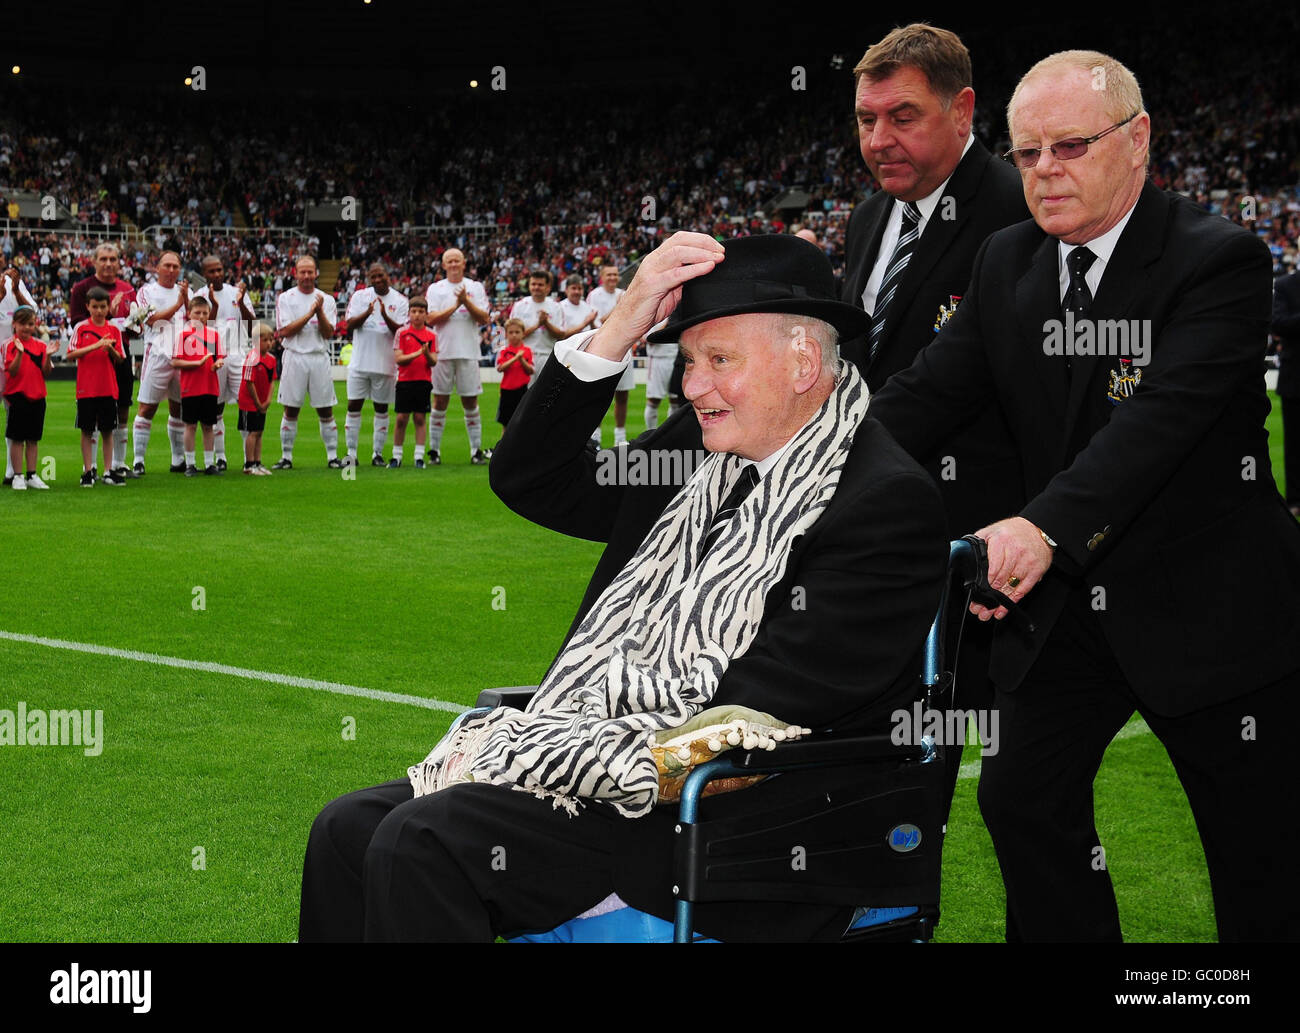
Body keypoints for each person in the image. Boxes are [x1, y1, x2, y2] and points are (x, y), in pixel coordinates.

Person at [298, 232, 949, 942]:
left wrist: (572, 753)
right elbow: (534, 479)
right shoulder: (699, 455)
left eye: (719, 360)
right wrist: (619, 327)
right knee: (344, 829)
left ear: (803, 362)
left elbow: (760, 713)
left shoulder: (882, 501)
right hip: (617, 768)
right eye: (689, 361)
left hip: (739, 821)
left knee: (419, 842)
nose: (692, 386)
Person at [868, 50, 1300, 942]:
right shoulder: (1007, 261)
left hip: (1213, 607)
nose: (1045, 171)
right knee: (1021, 800)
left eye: (1070, 146)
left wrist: (1042, 527)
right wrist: (803, 459)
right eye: (1027, 154)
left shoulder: (1217, 259)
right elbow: (923, 396)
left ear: (1137, 140)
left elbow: (1157, 427)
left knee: (1258, 850)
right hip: (1070, 609)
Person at [844, 23, 1030, 810]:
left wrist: (820, 455)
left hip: (986, 554)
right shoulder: (867, 220)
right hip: (877, 539)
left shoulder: (1019, 209)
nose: (878, 138)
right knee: (882, 778)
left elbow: (961, 382)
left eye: (902, 116)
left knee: (1021, 796)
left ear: (963, 111)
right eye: (866, 119)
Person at [68, 243, 138, 481]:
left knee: (122, 408)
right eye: (104, 259)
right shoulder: (81, 288)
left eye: (113, 259)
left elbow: (134, 328)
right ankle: (91, 468)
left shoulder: (128, 289)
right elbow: (77, 321)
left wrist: (133, 323)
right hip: (93, 360)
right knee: (92, 416)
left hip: (119, 354)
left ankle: (117, 464)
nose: (108, 263)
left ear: (119, 262)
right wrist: (109, 315)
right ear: (94, 261)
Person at [425, 248, 491, 466]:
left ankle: (475, 450)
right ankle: (434, 451)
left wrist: (466, 302)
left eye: (457, 260)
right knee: (439, 401)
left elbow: (484, 318)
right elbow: (431, 319)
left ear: (464, 263)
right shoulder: (436, 289)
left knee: (470, 401)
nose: (453, 264)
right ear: (444, 265)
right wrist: (456, 305)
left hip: (468, 352)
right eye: (449, 261)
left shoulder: (475, 287)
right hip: (442, 353)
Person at [273, 255, 340, 469]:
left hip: (318, 357)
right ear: (296, 273)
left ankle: (332, 457)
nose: (307, 276)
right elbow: (285, 331)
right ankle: (286, 457)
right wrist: (310, 313)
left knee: (326, 410)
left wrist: (319, 312)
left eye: (310, 271)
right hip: (295, 356)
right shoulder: (286, 298)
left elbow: (328, 333)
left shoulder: (326, 299)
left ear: (316, 273)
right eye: (303, 272)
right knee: (291, 409)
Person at [195, 255, 257, 472]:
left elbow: (252, 327)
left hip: (238, 355)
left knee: (246, 405)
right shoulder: (200, 296)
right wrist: (213, 305)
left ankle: (249, 459)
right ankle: (220, 457)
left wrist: (242, 303)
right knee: (215, 408)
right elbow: (200, 329)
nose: (217, 274)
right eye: (211, 271)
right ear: (204, 274)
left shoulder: (236, 292)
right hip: (214, 357)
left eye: (219, 270)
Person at [342, 262, 407, 468]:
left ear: (388, 276)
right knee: (353, 406)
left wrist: (384, 315)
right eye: (373, 277)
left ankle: (377, 453)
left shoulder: (400, 300)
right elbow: (349, 325)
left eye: (381, 276)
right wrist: (367, 313)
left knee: (381, 409)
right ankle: (351, 454)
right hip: (359, 363)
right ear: (369, 278)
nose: (378, 280)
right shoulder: (360, 296)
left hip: (385, 364)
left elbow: (400, 332)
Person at [131, 251, 188, 474]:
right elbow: (150, 320)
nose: (171, 270)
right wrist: (178, 304)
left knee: (178, 407)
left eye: (175, 266)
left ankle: (178, 459)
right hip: (157, 353)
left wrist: (186, 300)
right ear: (157, 268)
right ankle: (138, 460)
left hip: (182, 355)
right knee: (147, 407)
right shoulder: (147, 291)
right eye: (167, 265)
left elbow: (195, 317)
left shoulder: (186, 291)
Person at [66, 286, 128, 487]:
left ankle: (108, 471)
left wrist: (109, 349)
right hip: (86, 388)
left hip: (108, 387)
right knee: (86, 430)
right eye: (95, 307)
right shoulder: (81, 328)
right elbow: (70, 354)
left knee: (107, 430)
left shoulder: (114, 329)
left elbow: (120, 358)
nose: (99, 311)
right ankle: (88, 470)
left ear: (108, 307)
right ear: (87, 306)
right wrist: (95, 345)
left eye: (102, 307)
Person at [171, 295, 224, 476]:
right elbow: (175, 362)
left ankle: (209, 463)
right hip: (190, 388)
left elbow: (219, 358)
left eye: (204, 313)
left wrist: (217, 364)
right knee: (190, 425)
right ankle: (190, 464)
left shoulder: (214, 335)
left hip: (210, 386)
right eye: (197, 313)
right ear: (189, 314)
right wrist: (196, 364)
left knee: (208, 426)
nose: (201, 316)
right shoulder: (183, 336)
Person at [3, 306, 51, 490]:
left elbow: (46, 372)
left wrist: (48, 357)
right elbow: (12, 371)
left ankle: (32, 474)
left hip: (37, 395)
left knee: (33, 439)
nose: (26, 328)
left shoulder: (41, 345)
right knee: (17, 439)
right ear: (14, 324)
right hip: (18, 395)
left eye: (30, 324)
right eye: (22, 324)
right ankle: (17, 475)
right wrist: (20, 353)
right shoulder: (9, 345)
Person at [0, 264, 38, 484]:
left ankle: (11, 471)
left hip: (11, 358)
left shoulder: (12, 283)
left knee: (12, 415)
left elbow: (32, 312)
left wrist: (15, 292)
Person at [390, 296, 436, 468]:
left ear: (426, 314)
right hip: (405, 380)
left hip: (423, 381)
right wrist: (418, 353)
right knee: (401, 418)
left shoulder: (431, 335)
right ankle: (396, 456)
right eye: (414, 311)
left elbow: (434, 361)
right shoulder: (401, 333)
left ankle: (419, 456)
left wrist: (426, 354)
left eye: (421, 311)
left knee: (419, 417)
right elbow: (399, 358)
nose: (417, 315)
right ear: (409, 313)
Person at [585, 264, 629, 446]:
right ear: (602, 277)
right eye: (609, 274)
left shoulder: (624, 293)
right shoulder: (594, 295)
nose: (612, 277)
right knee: (599, 394)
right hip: (602, 350)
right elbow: (597, 324)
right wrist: (618, 308)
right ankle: (596, 435)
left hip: (625, 347)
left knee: (623, 395)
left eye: (615, 274)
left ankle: (620, 437)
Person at [1270, 269, 1300, 517]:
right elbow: (1278, 322)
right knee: (1294, 444)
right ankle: (1295, 499)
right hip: (1295, 378)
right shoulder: (1285, 285)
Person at [509, 269, 563, 385]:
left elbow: (561, 335)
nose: (536, 287)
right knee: (524, 393)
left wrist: (546, 323)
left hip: (547, 355)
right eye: (533, 284)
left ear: (548, 287)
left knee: (545, 393)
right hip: (524, 355)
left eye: (540, 284)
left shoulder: (556, 307)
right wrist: (538, 324)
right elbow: (512, 335)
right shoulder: (520, 306)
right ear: (529, 286)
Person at [237, 323, 277, 475]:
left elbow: (272, 381)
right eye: (265, 340)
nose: (269, 343)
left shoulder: (271, 359)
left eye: (271, 340)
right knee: (252, 432)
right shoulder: (252, 358)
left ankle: (257, 462)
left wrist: (268, 400)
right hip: (249, 402)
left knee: (259, 431)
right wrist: (257, 402)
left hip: (262, 402)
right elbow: (249, 382)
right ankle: (249, 464)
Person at [494, 317, 532, 431]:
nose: (514, 335)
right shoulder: (504, 351)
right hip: (507, 391)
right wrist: (515, 358)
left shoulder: (527, 350)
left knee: (521, 423)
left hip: (522, 390)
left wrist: (521, 360)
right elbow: (500, 368)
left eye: (517, 332)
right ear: (506, 334)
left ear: (523, 334)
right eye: (510, 332)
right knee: (506, 423)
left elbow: (530, 370)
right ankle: (504, 443)